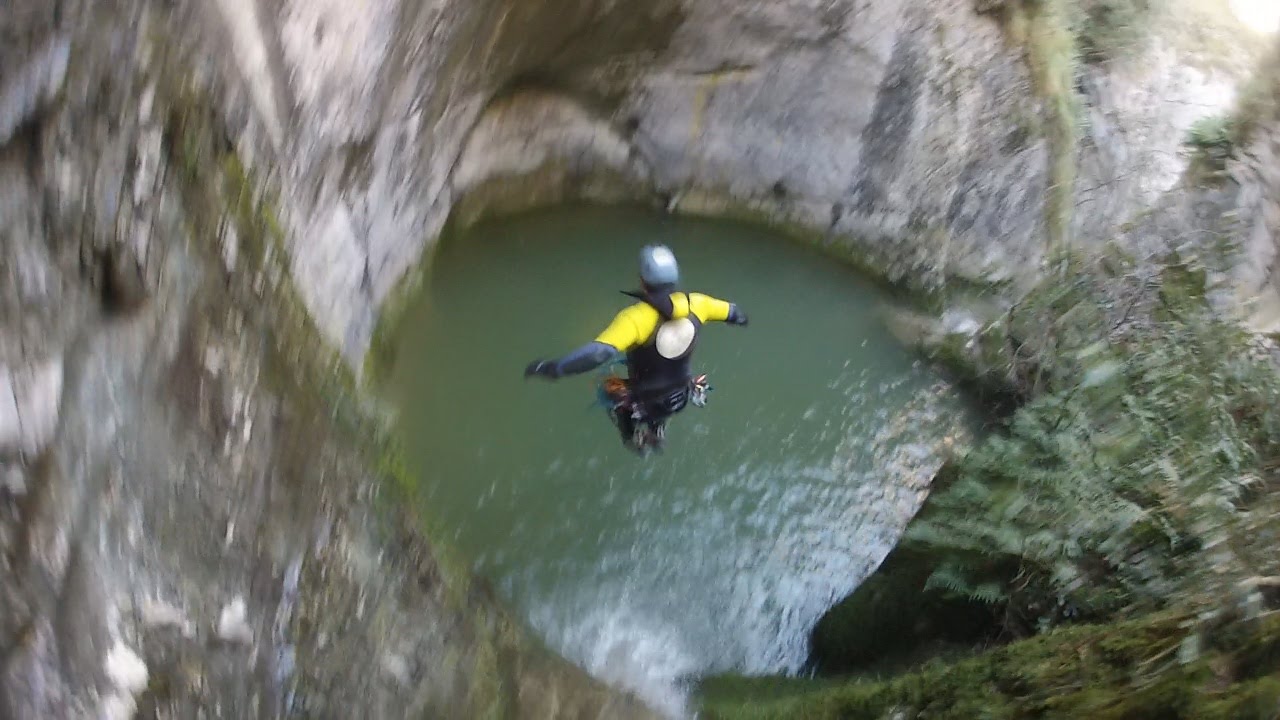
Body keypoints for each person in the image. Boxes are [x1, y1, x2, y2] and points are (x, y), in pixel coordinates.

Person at [524, 244, 748, 452]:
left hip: (644, 401)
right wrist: (740, 319)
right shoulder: (700, 304)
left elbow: (600, 353)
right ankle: (657, 432)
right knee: (662, 400)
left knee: (607, 388)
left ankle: (632, 439)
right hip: (680, 395)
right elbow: (735, 313)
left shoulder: (636, 318)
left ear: (642, 281)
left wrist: (555, 368)